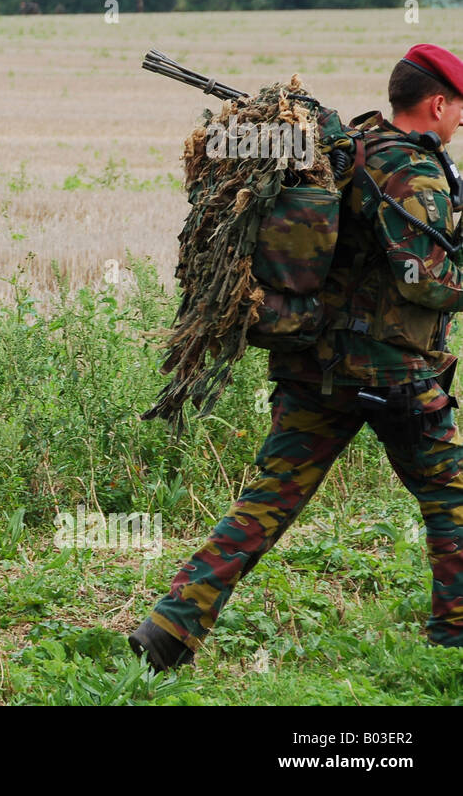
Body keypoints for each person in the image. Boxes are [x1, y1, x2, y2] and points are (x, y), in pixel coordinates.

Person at [130, 43, 463, 671]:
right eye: (459, 109)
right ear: (438, 103)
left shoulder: (351, 148)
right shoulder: (410, 172)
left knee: (265, 502)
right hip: (395, 375)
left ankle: (168, 631)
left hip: (314, 367)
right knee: (453, 504)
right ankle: (454, 644)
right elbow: (424, 279)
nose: (461, 121)